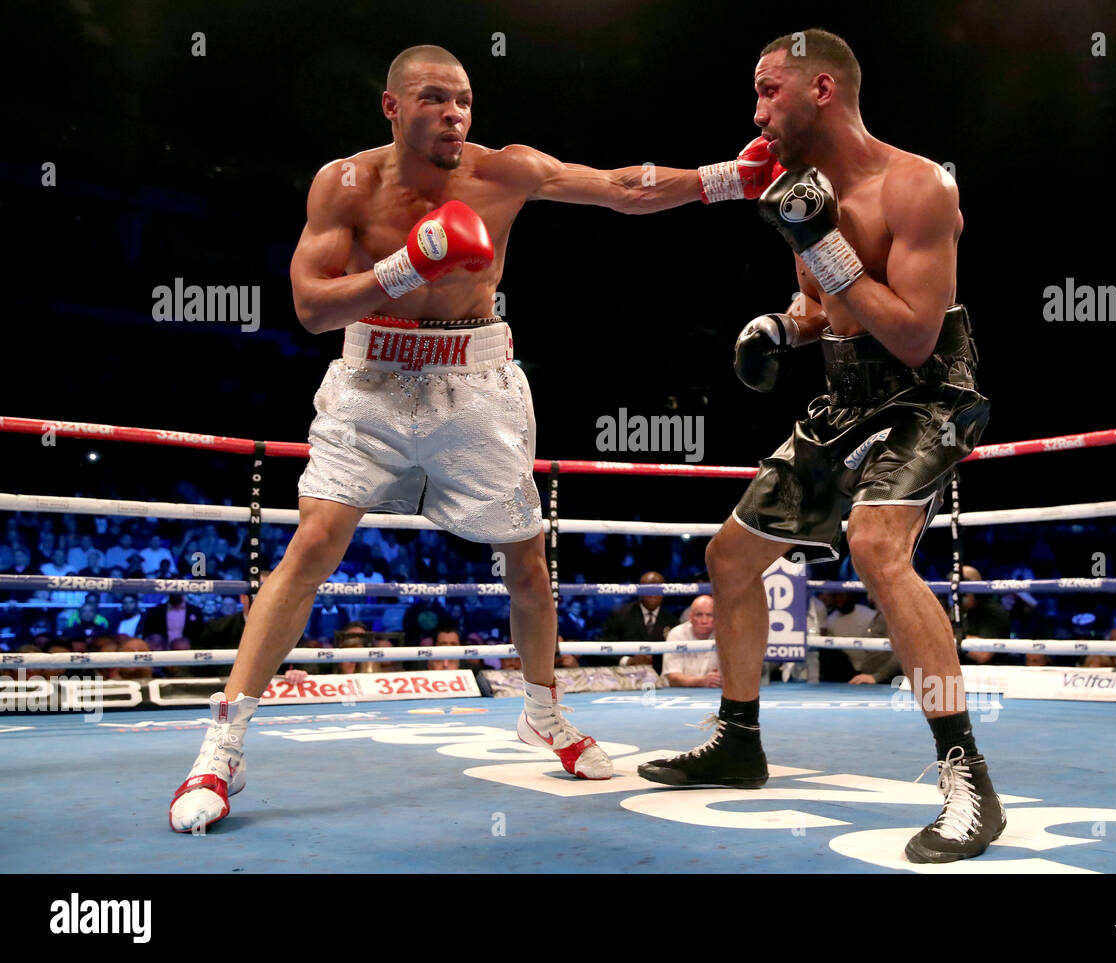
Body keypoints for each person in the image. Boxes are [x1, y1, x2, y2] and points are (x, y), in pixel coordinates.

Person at [169, 43, 780, 833]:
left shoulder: (505, 170)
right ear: (391, 107)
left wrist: (731, 177)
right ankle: (223, 745)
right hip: (372, 382)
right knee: (312, 543)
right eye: (433, 99)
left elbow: (623, 189)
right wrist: (405, 264)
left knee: (527, 558)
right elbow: (313, 308)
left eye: (463, 100)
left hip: (477, 383)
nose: (454, 114)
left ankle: (542, 710)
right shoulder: (343, 183)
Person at [638, 29, 1003, 864]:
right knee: (730, 557)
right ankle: (737, 741)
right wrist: (780, 325)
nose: (757, 110)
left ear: (824, 90)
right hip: (846, 395)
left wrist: (823, 249)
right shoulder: (799, 186)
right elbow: (826, 305)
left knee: (879, 547)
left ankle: (967, 775)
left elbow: (912, 335)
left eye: (770, 91)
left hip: (928, 394)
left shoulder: (918, 186)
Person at [597, 571, 676, 668]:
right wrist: (627, 660)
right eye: (648, 587)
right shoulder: (620, 615)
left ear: (664, 591)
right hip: (625, 675)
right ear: (639, 590)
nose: (652, 592)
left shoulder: (672, 620)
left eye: (657, 587)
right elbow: (602, 646)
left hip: (661, 677)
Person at [661, 596, 720, 688]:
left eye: (709, 615)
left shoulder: (724, 636)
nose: (704, 621)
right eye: (699, 615)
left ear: (716, 617)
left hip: (714, 691)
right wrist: (702, 681)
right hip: (677, 692)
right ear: (691, 617)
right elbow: (673, 677)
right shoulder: (677, 634)